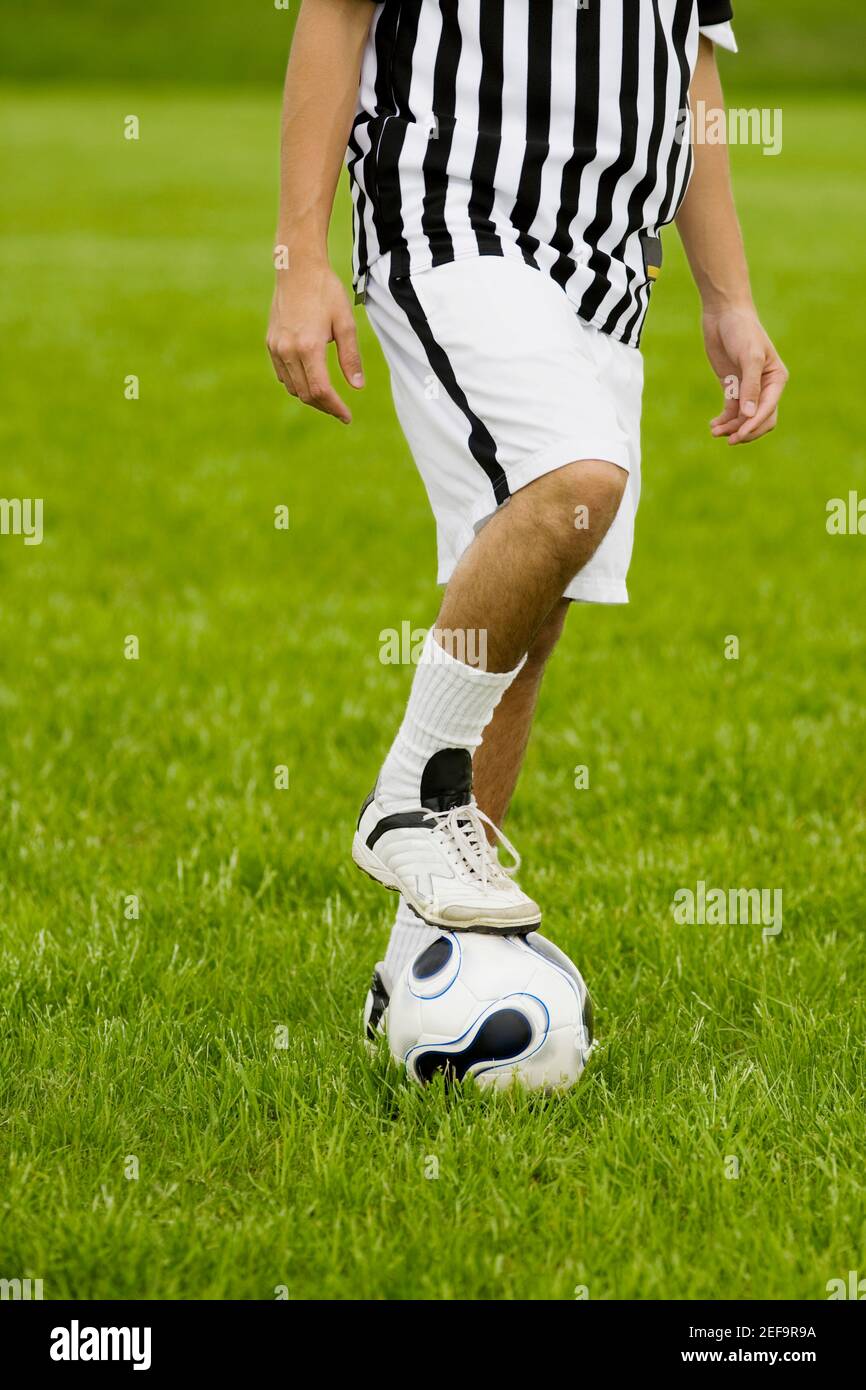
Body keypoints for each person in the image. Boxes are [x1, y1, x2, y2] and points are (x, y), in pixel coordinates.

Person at [266, 1, 788, 1025]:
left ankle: (423, 968)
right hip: (453, 211)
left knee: (528, 607)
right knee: (575, 482)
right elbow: (335, 9)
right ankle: (413, 798)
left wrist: (724, 298)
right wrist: (299, 256)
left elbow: (688, 70)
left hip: (607, 264)